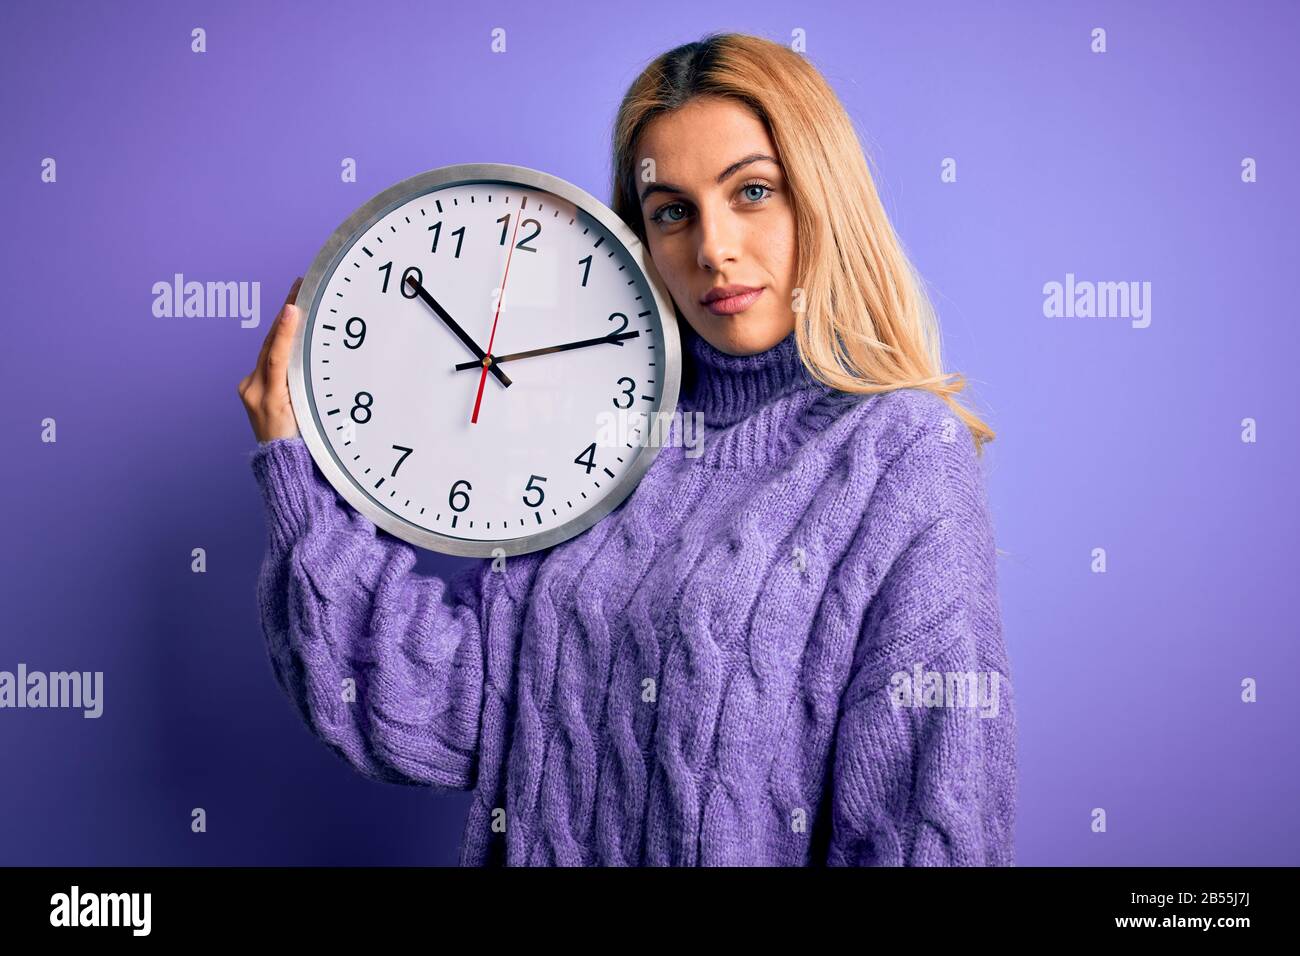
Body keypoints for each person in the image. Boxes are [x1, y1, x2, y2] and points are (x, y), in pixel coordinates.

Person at [237, 32, 1017, 866]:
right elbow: (438, 710)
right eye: (672, 210)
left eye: (753, 191)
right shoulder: (601, 437)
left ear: (822, 197)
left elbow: (930, 826)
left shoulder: (897, 454)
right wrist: (297, 473)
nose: (713, 249)